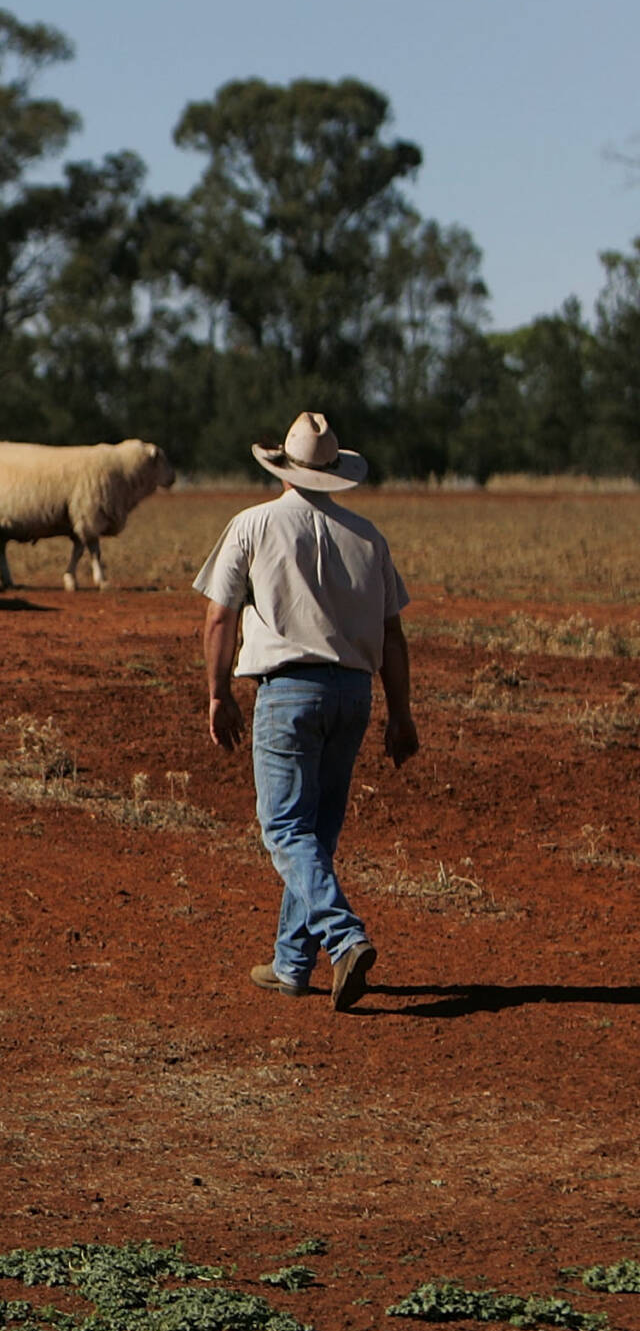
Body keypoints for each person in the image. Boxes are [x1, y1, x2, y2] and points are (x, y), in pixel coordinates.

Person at [196, 412, 420, 1011]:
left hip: (288, 692)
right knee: (316, 833)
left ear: (283, 467)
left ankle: (344, 938)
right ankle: (292, 965)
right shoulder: (370, 538)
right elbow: (392, 635)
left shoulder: (253, 525)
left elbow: (219, 617)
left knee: (286, 830)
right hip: (354, 694)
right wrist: (401, 715)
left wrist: (218, 694)